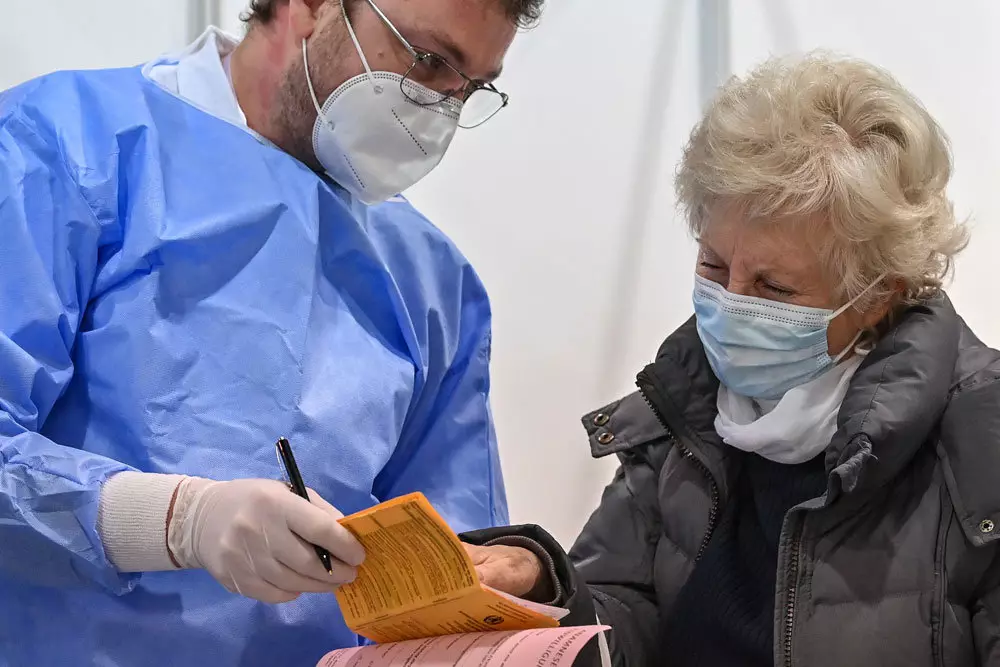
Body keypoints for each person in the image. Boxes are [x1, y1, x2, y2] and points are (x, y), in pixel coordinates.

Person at [0, 0, 541, 664]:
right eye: (427, 61)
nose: (439, 109)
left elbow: (457, 560)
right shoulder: (65, 147)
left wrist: (516, 569)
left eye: (469, 87)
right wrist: (177, 521)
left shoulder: (430, 281)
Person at [465, 52, 1000, 666]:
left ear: (879, 293)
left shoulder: (980, 440)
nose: (731, 306)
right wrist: (545, 588)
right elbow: (625, 613)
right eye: (713, 266)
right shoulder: (680, 411)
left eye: (775, 287)